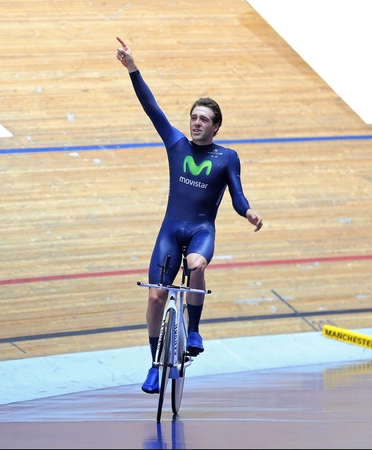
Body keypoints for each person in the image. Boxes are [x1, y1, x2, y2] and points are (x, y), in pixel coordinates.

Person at [115, 37, 263, 394]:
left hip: (200, 231)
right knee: (155, 296)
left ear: (216, 127)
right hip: (170, 231)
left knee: (196, 263)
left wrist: (249, 213)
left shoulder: (227, 157)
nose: (196, 123)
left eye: (204, 119)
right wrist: (133, 68)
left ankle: (194, 328)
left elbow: (237, 196)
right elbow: (152, 108)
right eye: (193, 117)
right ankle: (154, 365)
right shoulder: (176, 144)